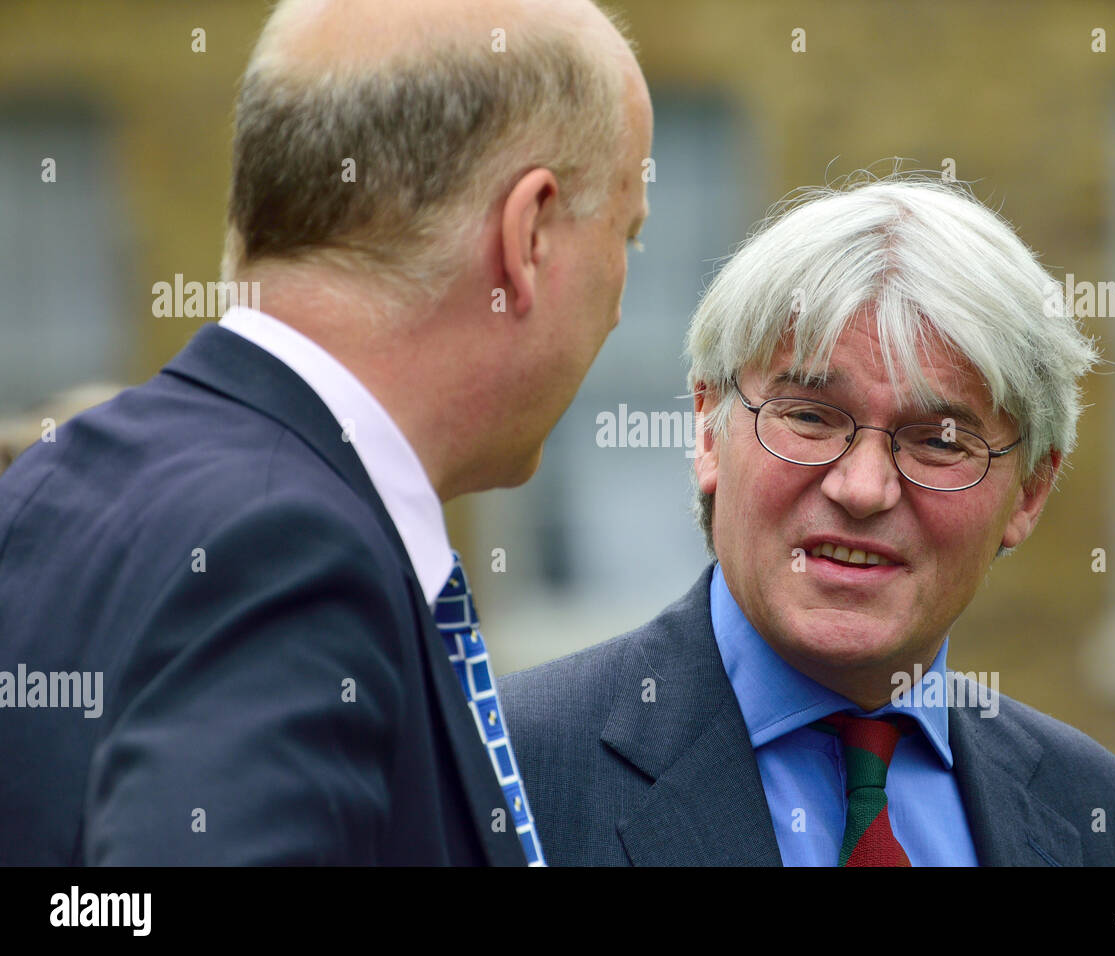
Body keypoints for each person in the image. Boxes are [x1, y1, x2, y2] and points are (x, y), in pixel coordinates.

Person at [0, 0, 651, 865]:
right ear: (527, 234)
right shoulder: (293, 553)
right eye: (628, 234)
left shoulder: (49, 486)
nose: (618, 303)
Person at [499, 175, 1115, 866]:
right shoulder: (505, 775)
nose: (863, 488)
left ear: (1030, 491)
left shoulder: (1110, 825)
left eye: (939, 440)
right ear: (708, 430)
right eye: (810, 417)